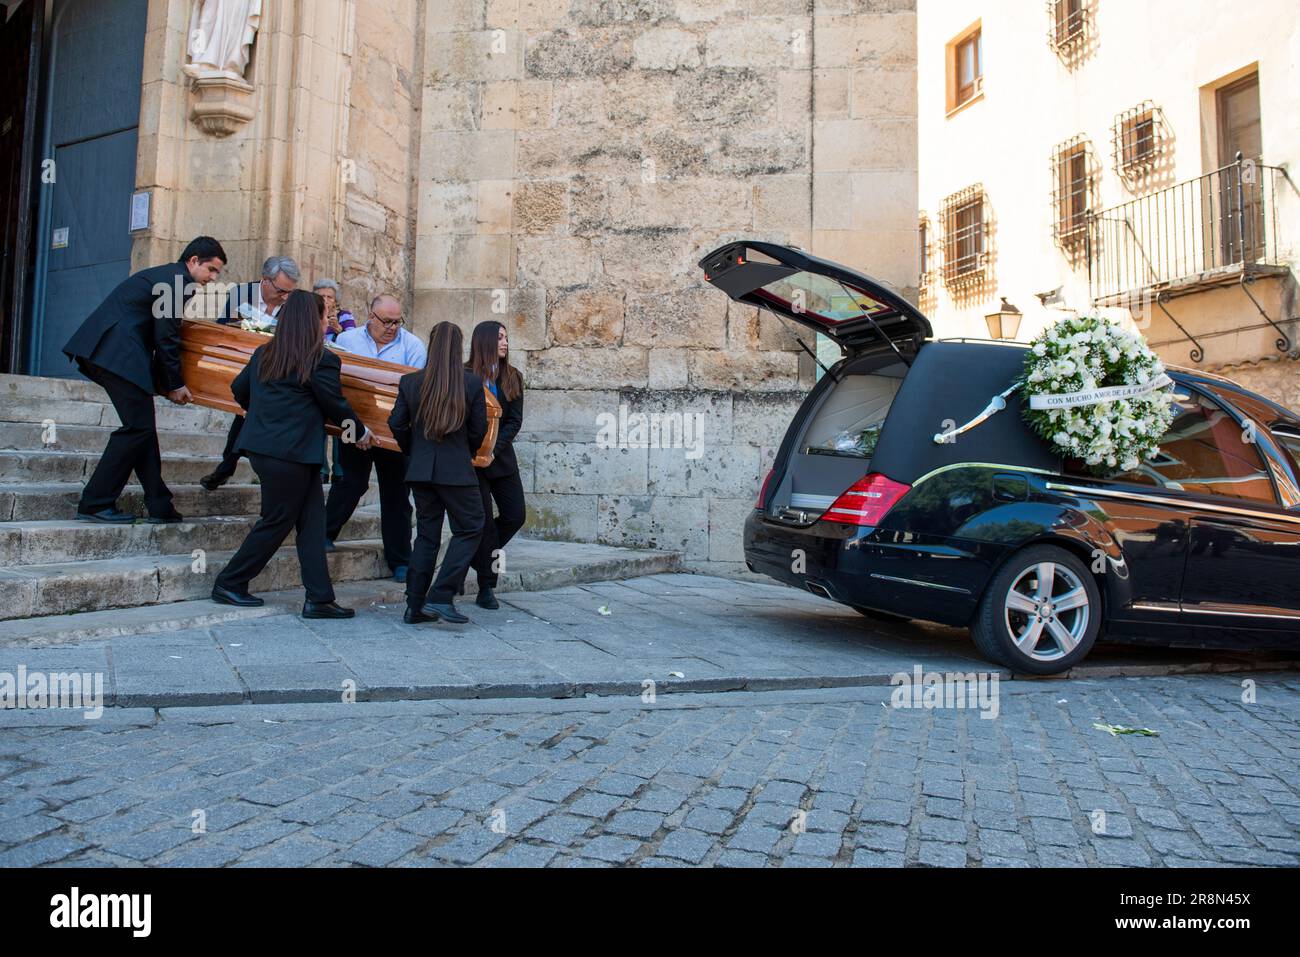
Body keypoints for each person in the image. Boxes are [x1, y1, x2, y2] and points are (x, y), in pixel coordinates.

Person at [211, 290, 375, 618]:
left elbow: (238, 391)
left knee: (312, 521)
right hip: (291, 454)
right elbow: (335, 404)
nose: (327, 321)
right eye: (323, 316)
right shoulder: (321, 359)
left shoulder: (265, 353)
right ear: (311, 321)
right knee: (277, 519)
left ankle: (319, 598)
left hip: (267, 448)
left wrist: (264, 418)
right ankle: (229, 581)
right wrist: (359, 432)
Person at [61, 236, 227, 524]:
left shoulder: (169, 277)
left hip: (112, 352)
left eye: (217, 274)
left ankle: (159, 504)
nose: (212, 278)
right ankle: (95, 503)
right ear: (193, 261)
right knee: (137, 429)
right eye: (211, 270)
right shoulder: (177, 283)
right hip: (117, 354)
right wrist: (174, 384)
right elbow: (166, 337)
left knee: (143, 430)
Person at [389, 321, 486, 625]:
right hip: (455, 469)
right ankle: (441, 595)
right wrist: (464, 453)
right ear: (459, 348)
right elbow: (478, 429)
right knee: (470, 528)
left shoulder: (411, 382)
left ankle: (414, 604)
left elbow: (396, 423)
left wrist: (413, 451)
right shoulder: (470, 384)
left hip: (421, 470)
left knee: (426, 537)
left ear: (431, 345)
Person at [325, 294, 427, 583]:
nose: (392, 327)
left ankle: (400, 561)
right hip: (353, 425)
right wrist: (354, 427)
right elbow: (335, 385)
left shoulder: (413, 346)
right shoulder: (347, 341)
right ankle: (324, 533)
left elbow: (414, 394)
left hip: (394, 431)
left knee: (396, 495)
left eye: (397, 322)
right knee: (349, 483)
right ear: (371, 316)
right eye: (386, 322)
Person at [200, 255, 299, 491]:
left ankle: (228, 466)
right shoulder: (241, 294)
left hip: (275, 370)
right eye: (281, 291)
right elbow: (222, 327)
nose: (285, 297)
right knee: (245, 413)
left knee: (247, 414)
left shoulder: (291, 304)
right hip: (243, 367)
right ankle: (231, 465)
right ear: (265, 280)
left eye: (289, 293)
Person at [465, 320, 526, 610]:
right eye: (499, 337)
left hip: (501, 460)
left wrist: (492, 448)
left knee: (515, 515)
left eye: (506, 337)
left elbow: (514, 421)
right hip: (472, 463)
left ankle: (475, 559)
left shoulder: (513, 376)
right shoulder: (464, 375)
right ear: (485, 341)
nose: (505, 342)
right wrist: (477, 451)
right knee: (485, 525)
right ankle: (486, 588)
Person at [313, 278, 356, 343]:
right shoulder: (310, 314)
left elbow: (353, 341)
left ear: (335, 301)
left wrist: (340, 330)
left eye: (329, 297)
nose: (325, 300)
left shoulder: (345, 316)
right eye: (322, 296)